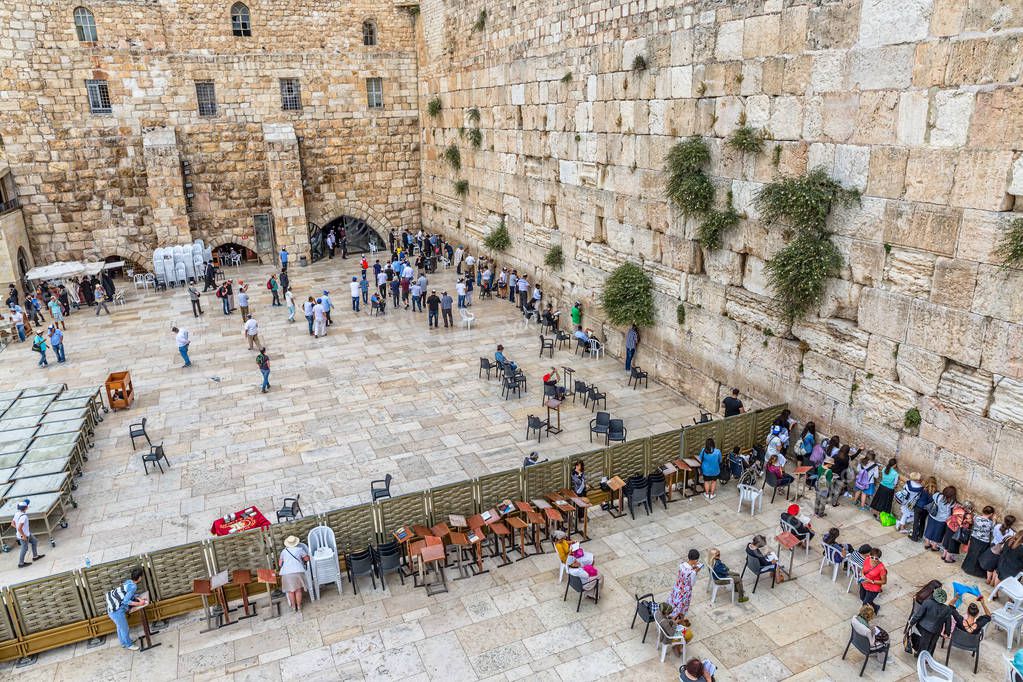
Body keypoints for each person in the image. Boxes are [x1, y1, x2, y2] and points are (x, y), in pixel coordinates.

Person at [105, 568, 147, 651]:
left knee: (120, 627)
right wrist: (140, 603)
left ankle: (123, 643)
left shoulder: (128, 582)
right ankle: (129, 645)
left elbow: (128, 594)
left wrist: (139, 599)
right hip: (116, 611)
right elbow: (126, 601)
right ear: (139, 578)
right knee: (124, 628)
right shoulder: (133, 586)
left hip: (111, 610)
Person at [908, 587, 956, 655]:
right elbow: (948, 622)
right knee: (932, 644)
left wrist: (911, 622)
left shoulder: (927, 602)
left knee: (921, 642)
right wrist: (947, 633)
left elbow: (918, 615)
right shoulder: (947, 609)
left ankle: (918, 654)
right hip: (936, 630)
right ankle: (927, 658)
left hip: (923, 627)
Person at [980, 515, 1016, 585]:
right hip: (1001, 551)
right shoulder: (1012, 533)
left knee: (990, 565)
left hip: (994, 546)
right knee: (996, 567)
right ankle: (993, 581)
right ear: (1012, 523)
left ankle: (988, 579)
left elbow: (993, 534)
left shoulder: (997, 526)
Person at [667, 550, 702, 618]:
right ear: (695, 560)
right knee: (681, 607)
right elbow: (692, 584)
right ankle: (676, 619)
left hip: (677, 587)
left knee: (673, 601)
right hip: (685, 592)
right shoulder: (692, 573)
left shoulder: (682, 565)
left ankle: (669, 613)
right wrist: (696, 572)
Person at [279, 535, 309, 611]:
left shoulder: (284, 551)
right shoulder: (300, 549)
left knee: (290, 591)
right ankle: (299, 606)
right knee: (298, 590)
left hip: (286, 573)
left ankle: (293, 607)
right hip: (297, 572)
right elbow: (307, 559)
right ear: (296, 543)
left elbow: (280, 564)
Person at [12, 499, 46, 568]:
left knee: (34, 541)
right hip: (24, 535)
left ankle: (35, 556)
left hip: (26, 533)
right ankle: (21, 563)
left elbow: (12, 524)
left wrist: (19, 530)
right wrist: (23, 535)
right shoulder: (24, 517)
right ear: (26, 508)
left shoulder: (16, 513)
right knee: (24, 549)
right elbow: (19, 528)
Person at [924, 486, 957, 551]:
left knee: (929, 529)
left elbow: (933, 497)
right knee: (938, 533)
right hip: (942, 520)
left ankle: (927, 544)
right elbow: (950, 510)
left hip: (933, 515)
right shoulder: (952, 502)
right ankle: (934, 546)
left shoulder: (937, 495)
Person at [910, 476, 938, 542]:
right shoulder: (935, 492)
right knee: (923, 522)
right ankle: (920, 535)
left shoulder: (923, 489)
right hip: (926, 509)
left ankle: (914, 537)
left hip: (918, 506)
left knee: (916, 522)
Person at [859, 547, 887, 613]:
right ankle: (875, 607)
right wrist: (862, 574)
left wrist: (871, 581)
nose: (874, 560)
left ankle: (861, 618)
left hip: (873, 588)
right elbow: (863, 569)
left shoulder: (881, 568)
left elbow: (884, 581)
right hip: (864, 583)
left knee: (865, 603)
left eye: (876, 558)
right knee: (862, 598)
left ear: (879, 558)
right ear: (870, 556)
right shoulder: (867, 559)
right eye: (872, 557)